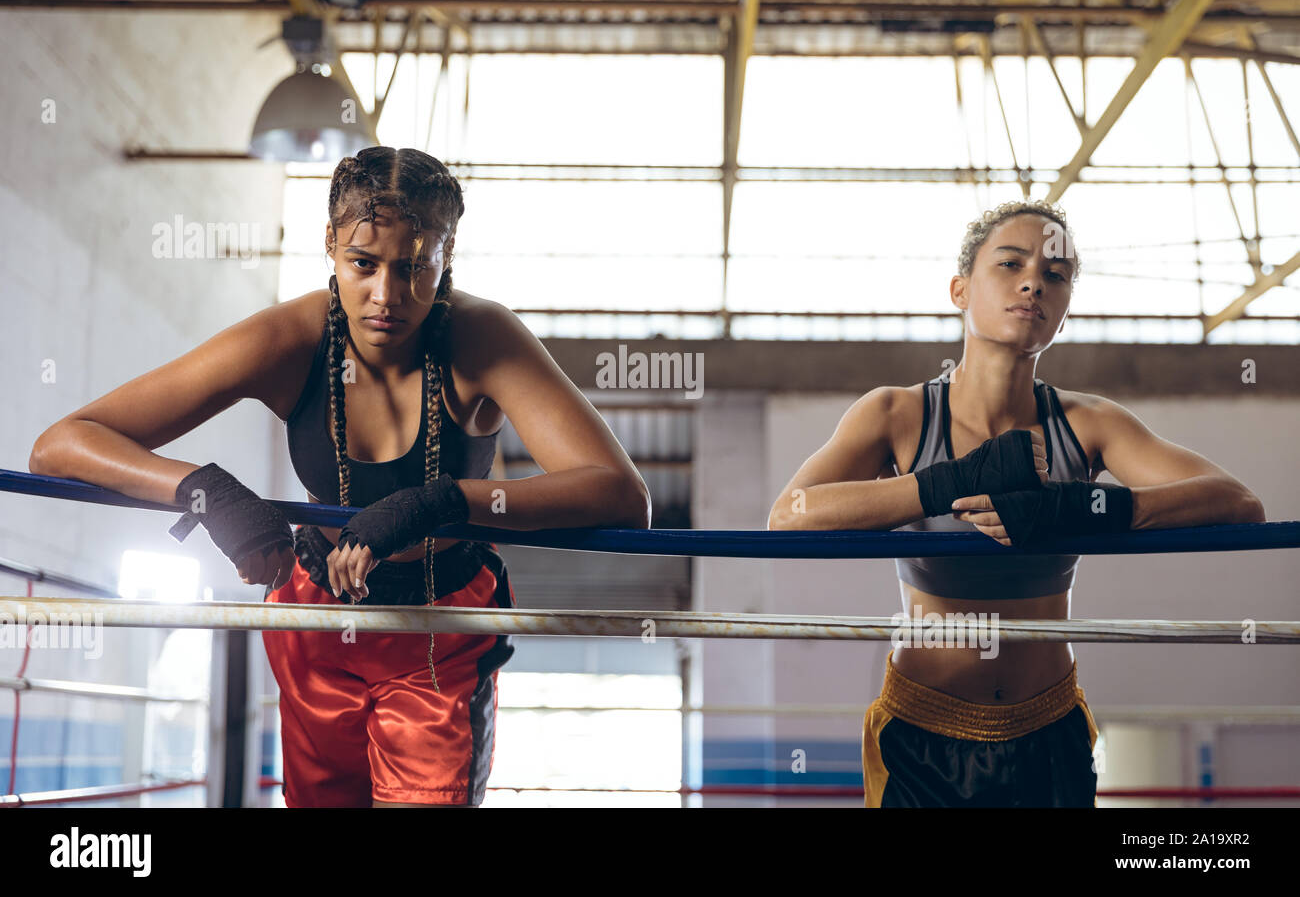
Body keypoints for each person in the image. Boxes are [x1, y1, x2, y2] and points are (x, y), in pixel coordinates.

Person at [29, 145, 651, 808]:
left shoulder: (480, 336)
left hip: (440, 629)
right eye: (363, 264)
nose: (387, 296)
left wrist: (444, 501)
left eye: (415, 269)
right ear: (329, 244)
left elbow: (620, 494)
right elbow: (61, 445)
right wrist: (205, 491)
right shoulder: (289, 338)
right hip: (316, 615)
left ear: (447, 260)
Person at [768, 200, 1265, 807]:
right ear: (959, 289)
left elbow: (1238, 502)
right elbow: (789, 513)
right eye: (1010, 264)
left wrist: (1085, 509)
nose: (1034, 281)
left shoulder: (1088, 424)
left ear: (1062, 311)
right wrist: (945, 481)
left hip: (1049, 725)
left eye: (1056, 275)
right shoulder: (897, 414)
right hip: (923, 733)